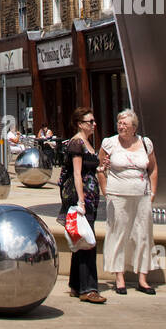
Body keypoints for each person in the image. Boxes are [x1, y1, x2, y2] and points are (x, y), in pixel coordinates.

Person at [98, 108, 158, 295]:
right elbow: (100, 168)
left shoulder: (145, 143)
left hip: (142, 194)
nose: (121, 126)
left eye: (125, 123)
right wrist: (105, 190)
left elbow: (153, 169)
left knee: (142, 233)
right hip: (117, 194)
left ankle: (143, 277)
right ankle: (119, 277)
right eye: (119, 123)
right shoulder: (110, 143)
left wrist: (153, 192)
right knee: (118, 233)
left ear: (134, 127)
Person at [59, 107, 105, 304]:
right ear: (79, 124)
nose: (93, 125)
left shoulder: (86, 142)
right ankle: (88, 288)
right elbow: (76, 173)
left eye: (94, 121)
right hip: (82, 198)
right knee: (88, 240)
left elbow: (88, 169)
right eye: (90, 122)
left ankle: (76, 285)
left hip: (90, 197)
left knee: (82, 240)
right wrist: (80, 201)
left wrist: (101, 167)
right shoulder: (77, 143)